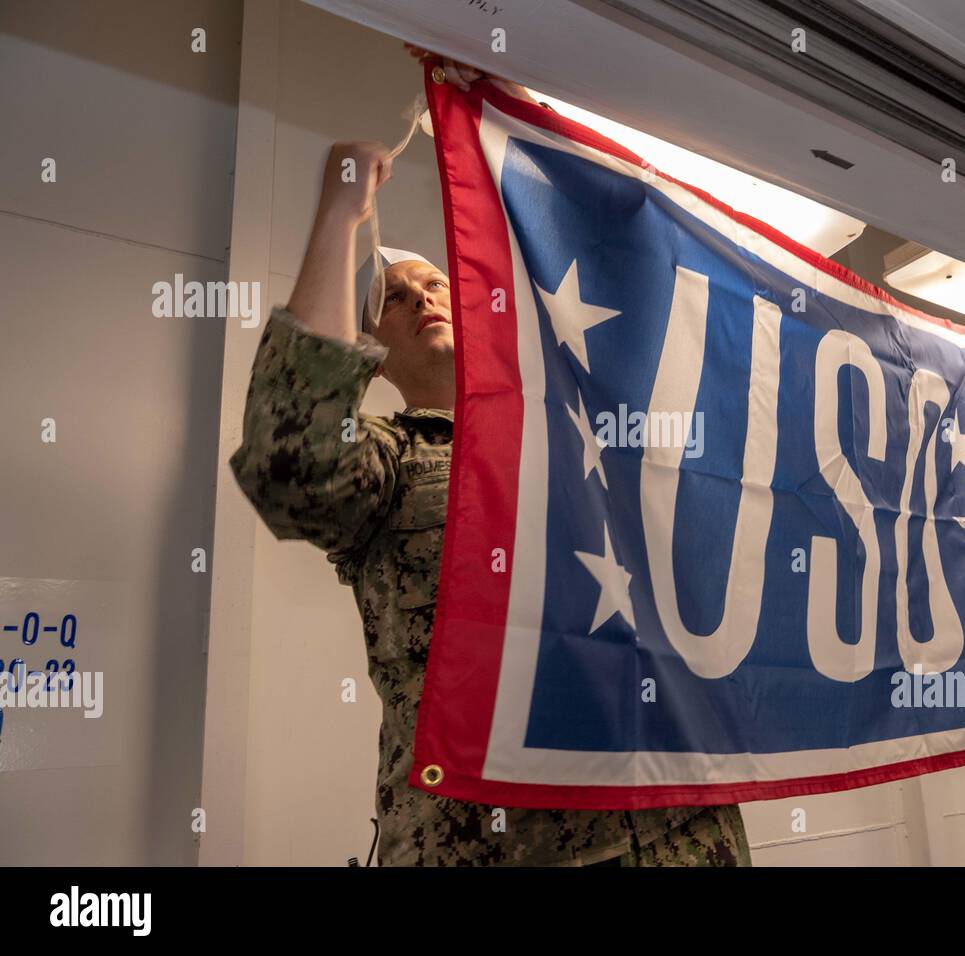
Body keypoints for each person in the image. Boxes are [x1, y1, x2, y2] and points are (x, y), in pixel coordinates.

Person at [228, 54, 751, 866]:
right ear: (372, 348)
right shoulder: (392, 463)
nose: (420, 298)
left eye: (434, 283)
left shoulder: (586, 433)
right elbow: (289, 460)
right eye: (394, 298)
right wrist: (339, 214)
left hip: (683, 836)